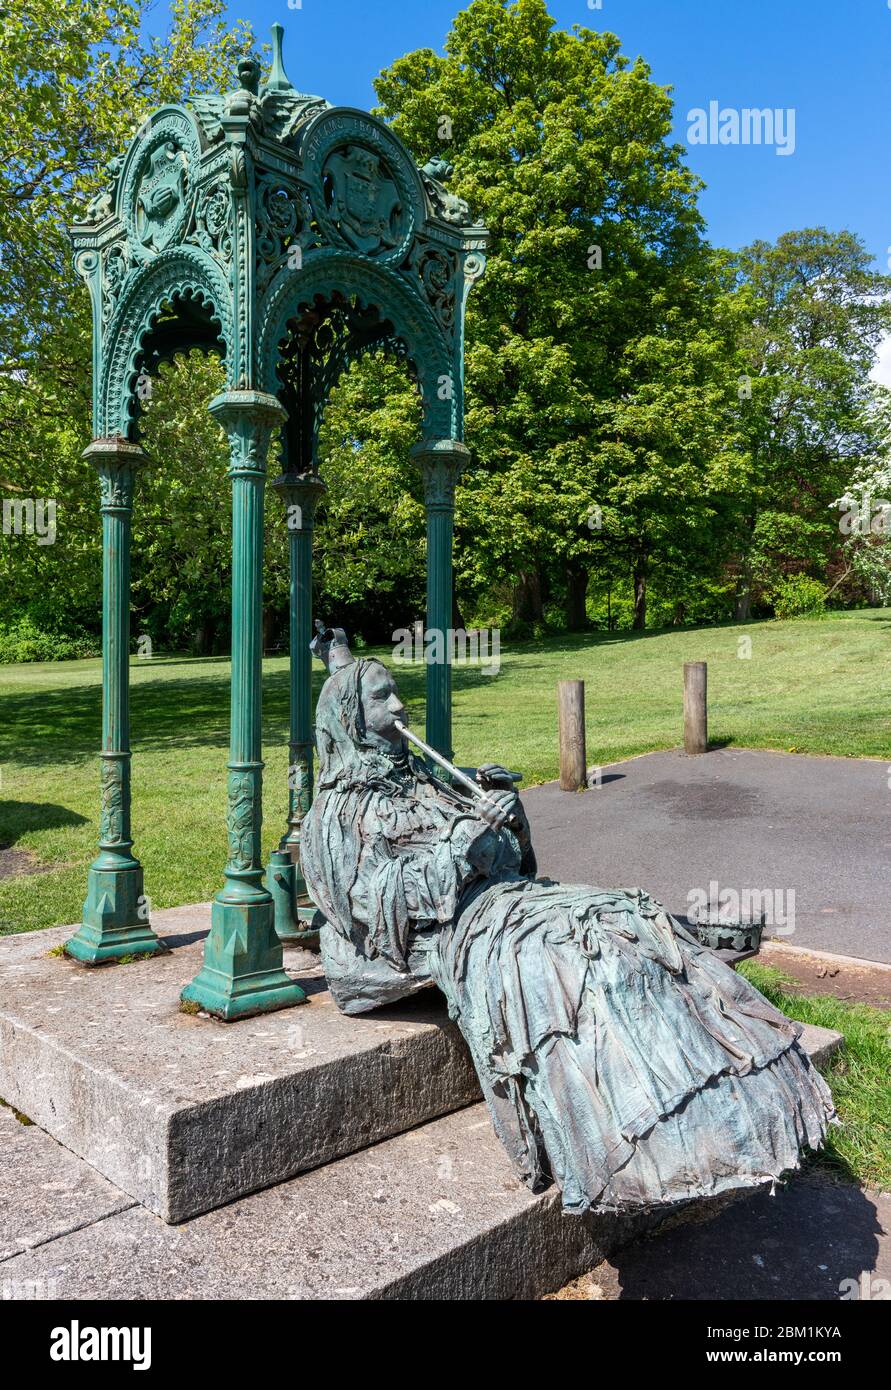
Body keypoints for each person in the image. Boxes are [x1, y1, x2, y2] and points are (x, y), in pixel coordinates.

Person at [301, 648, 835, 1214]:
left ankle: (723, 1109)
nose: (400, 704)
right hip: (464, 928)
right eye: (382, 696)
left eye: (397, 690)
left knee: (623, 916)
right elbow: (370, 903)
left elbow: (516, 865)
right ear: (351, 717)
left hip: (513, 900)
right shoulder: (338, 813)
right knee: (573, 955)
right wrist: (460, 849)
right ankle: (634, 1150)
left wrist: (509, 820)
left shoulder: (430, 781)